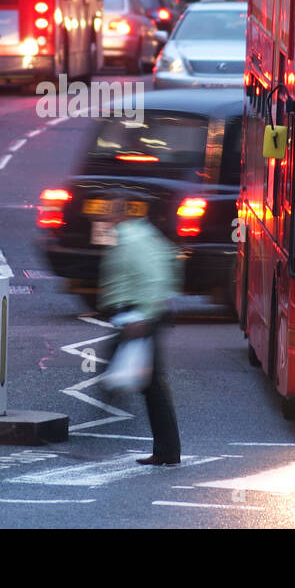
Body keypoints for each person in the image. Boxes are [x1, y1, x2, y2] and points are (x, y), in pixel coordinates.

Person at [97, 192, 182, 465]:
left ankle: (167, 450)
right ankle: (167, 449)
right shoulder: (140, 234)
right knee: (150, 383)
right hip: (137, 315)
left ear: (120, 214)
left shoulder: (133, 240)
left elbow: (154, 276)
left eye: (109, 213)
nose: (105, 219)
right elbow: (169, 260)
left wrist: (145, 315)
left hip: (139, 316)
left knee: (152, 385)